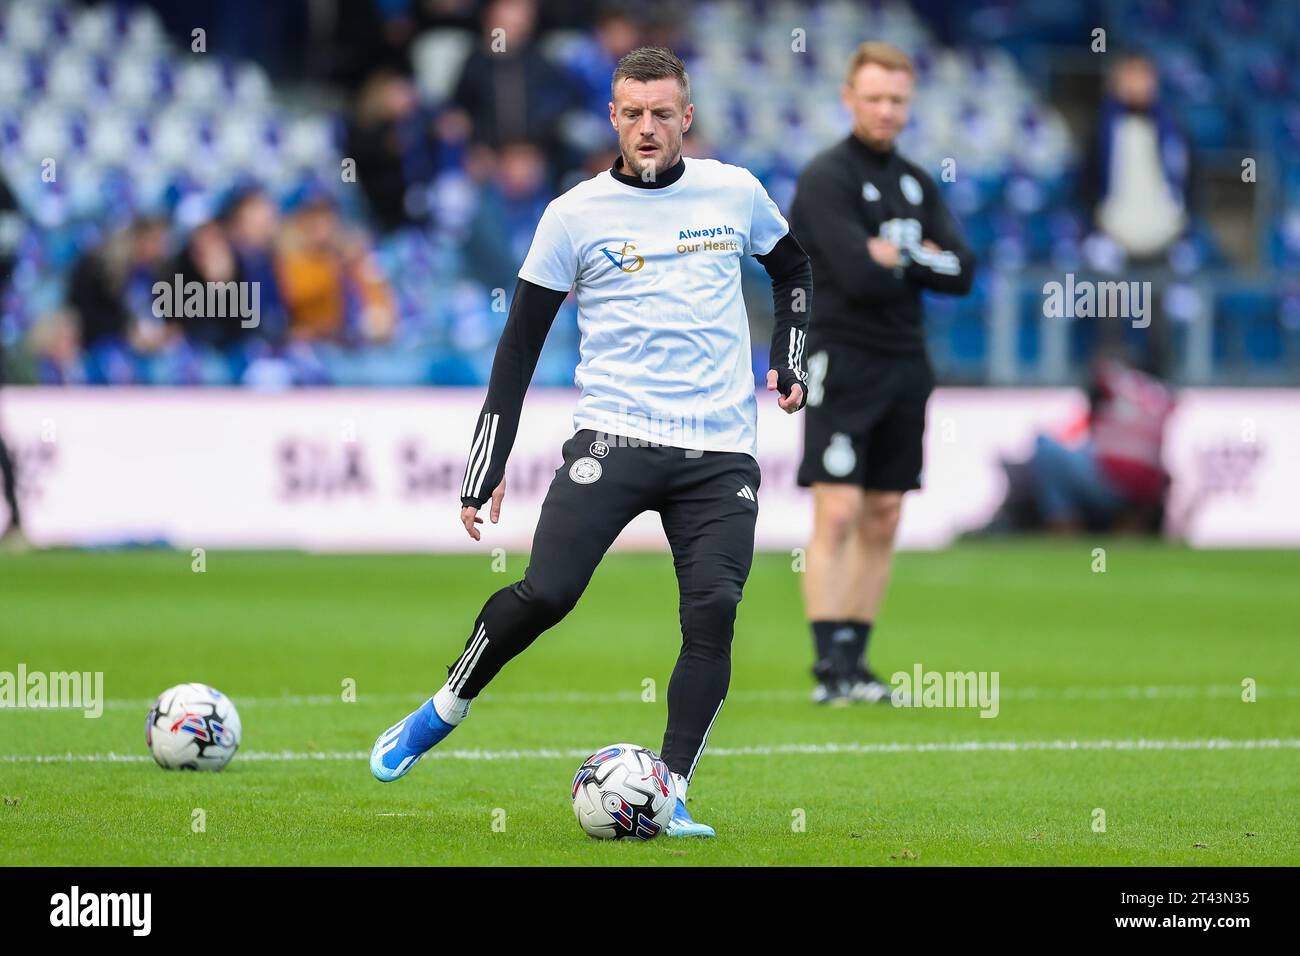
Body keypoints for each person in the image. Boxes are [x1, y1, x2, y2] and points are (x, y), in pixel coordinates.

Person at [369, 47, 811, 838]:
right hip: (615, 436)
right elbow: (518, 347)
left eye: (663, 113)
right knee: (548, 593)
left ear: (687, 117)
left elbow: (794, 267)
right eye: (633, 114)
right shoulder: (574, 214)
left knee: (713, 610)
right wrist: (486, 464)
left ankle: (667, 793)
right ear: (613, 117)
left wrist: (791, 355)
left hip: (718, 452)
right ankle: (442, 707)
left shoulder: (734, 191)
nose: (648, 128)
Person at [790, 42, 974, 705]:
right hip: (842, 357)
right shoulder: (824, 178)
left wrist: (894, 253)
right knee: (836, 508)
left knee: (886, 511)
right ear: (849, 97)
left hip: (905, 360)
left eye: (897, 99)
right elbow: (858, 274)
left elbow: (965, 270)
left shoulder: (917, 181)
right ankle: (826, 665)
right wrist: (916, 255)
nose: (886, 110)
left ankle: (856, 660)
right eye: (873, 97)